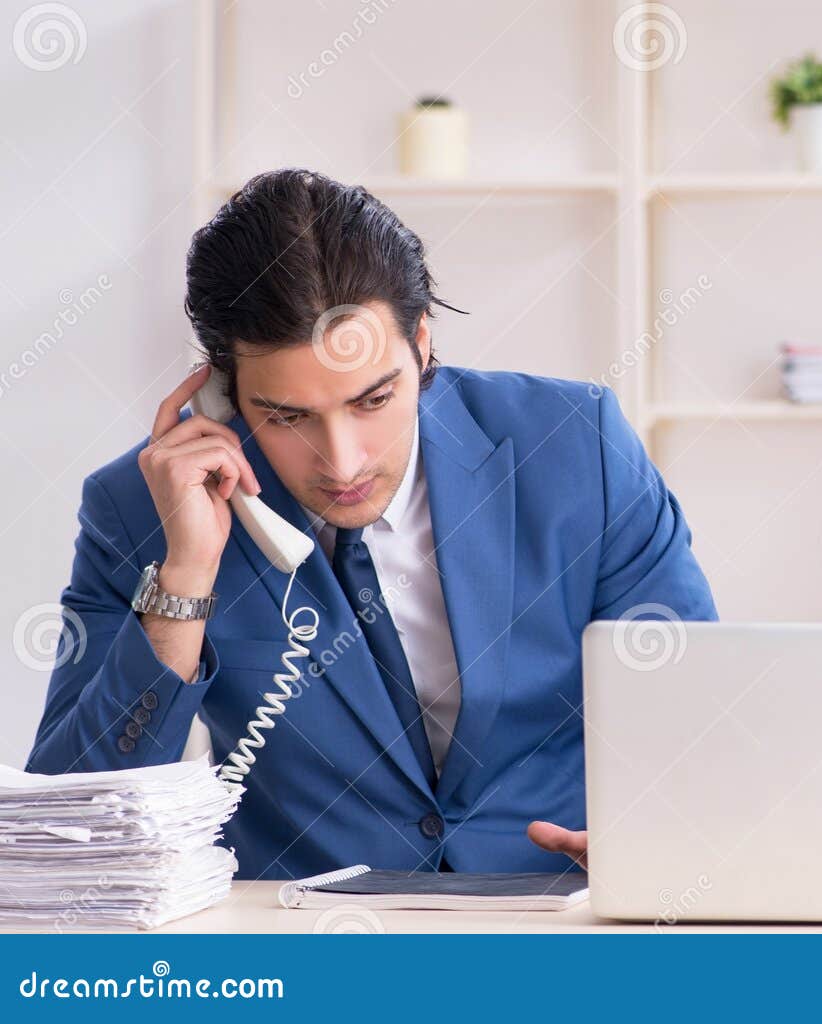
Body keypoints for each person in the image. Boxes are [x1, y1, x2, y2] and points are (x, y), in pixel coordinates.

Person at [28, 169, 716, 879]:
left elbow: (699, 715)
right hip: (299, 927)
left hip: (565, 909)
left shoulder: (575, 445)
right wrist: (185, 582)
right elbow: (68, 831)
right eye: (288, 416)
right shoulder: (141, 506)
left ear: (421, 343)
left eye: (373, 400)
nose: (343, 461)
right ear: (222, 393)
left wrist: (657, 841)